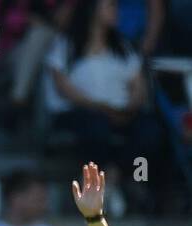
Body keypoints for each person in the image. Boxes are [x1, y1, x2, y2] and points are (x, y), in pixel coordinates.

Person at [44, 0, 167, 214]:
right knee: (96, 126)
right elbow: (63, 86)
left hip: (122, 114)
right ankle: (107, 182)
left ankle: (113, 177)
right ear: (93, 10)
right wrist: (100, 107)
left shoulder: (125, 46)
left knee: (151, 130)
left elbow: (139, 88)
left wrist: (129, 108)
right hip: (79, 112)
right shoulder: (65, 45)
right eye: (110, 6)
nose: (116, 11)